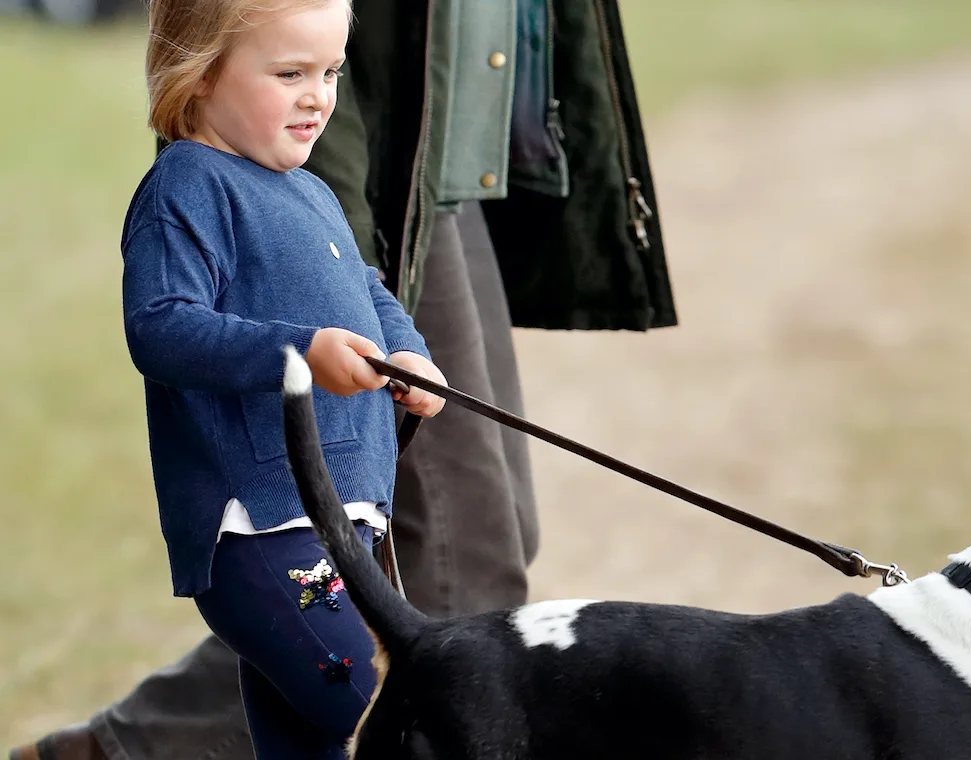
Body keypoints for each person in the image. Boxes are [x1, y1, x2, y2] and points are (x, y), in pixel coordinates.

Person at [10, 0, 677, 757]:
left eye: (330, 72)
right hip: (262, 526)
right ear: (198, 73)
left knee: (312, 744)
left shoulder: (306, 188)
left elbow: (367, 286)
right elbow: (159, 326)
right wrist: (302, 352)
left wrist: (409, 353)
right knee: (410, 721)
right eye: (289, 72)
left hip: (341, 522)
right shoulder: (188, 186)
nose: (318, 95)